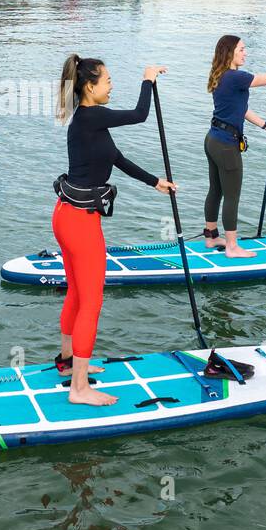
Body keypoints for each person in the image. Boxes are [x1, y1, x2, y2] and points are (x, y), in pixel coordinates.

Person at [53, 56, 175, 406]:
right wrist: (148, 79)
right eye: (106, 80)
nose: (111, 85)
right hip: (80, 224)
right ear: (89, 87)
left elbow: (116, 158)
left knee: (76, 292)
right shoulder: (92, 116)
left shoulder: (89, 122)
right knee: (92, 301)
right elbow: (140, 114)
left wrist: (155, 182)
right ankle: (79, 388)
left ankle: (66, 363)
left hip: (65, 215)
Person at [202, 36, 266, 257]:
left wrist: (265, 125)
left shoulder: (220, 75)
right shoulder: (236, 77)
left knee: (216, 190)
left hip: (213, 140)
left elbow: (239, 109)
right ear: (230, 52)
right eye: (242, 49)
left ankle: (212, 237)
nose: (246, 53)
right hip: (226, 146)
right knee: (232, 196)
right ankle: (232, 247)